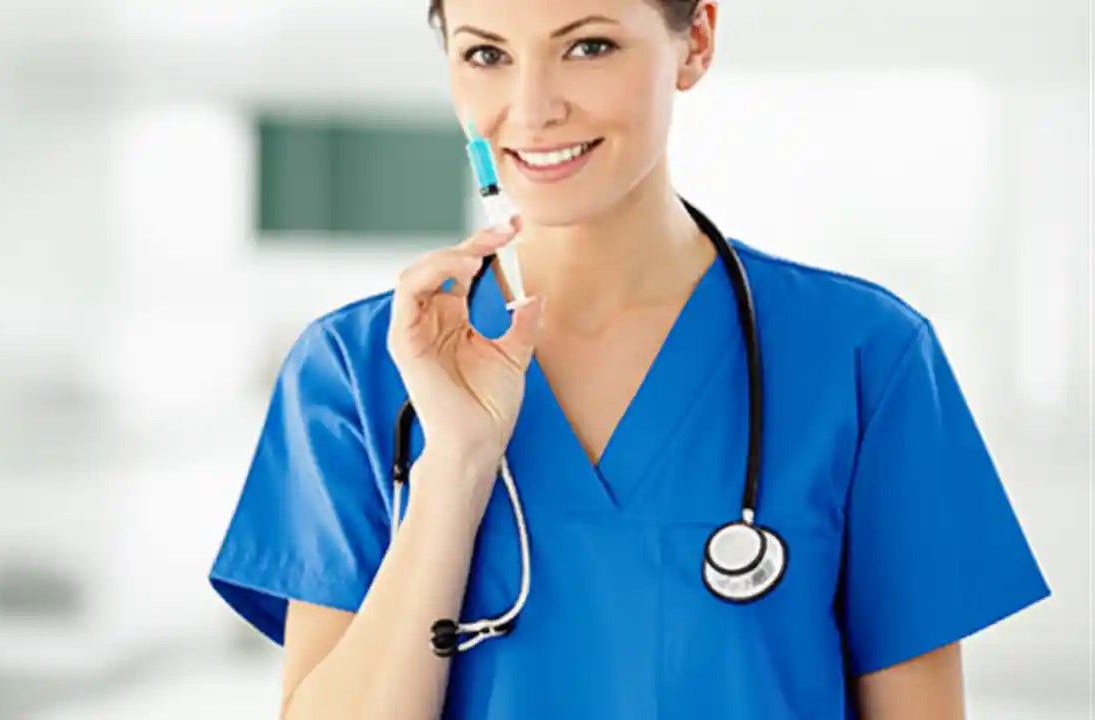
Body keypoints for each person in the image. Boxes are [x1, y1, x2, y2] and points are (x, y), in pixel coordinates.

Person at [208, 1, 1052, 717]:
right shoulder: (353, 373)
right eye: (486, 55)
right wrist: (455, 468)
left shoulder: (866, 358)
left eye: (588, 46)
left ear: (697, 42)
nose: (531, 108)